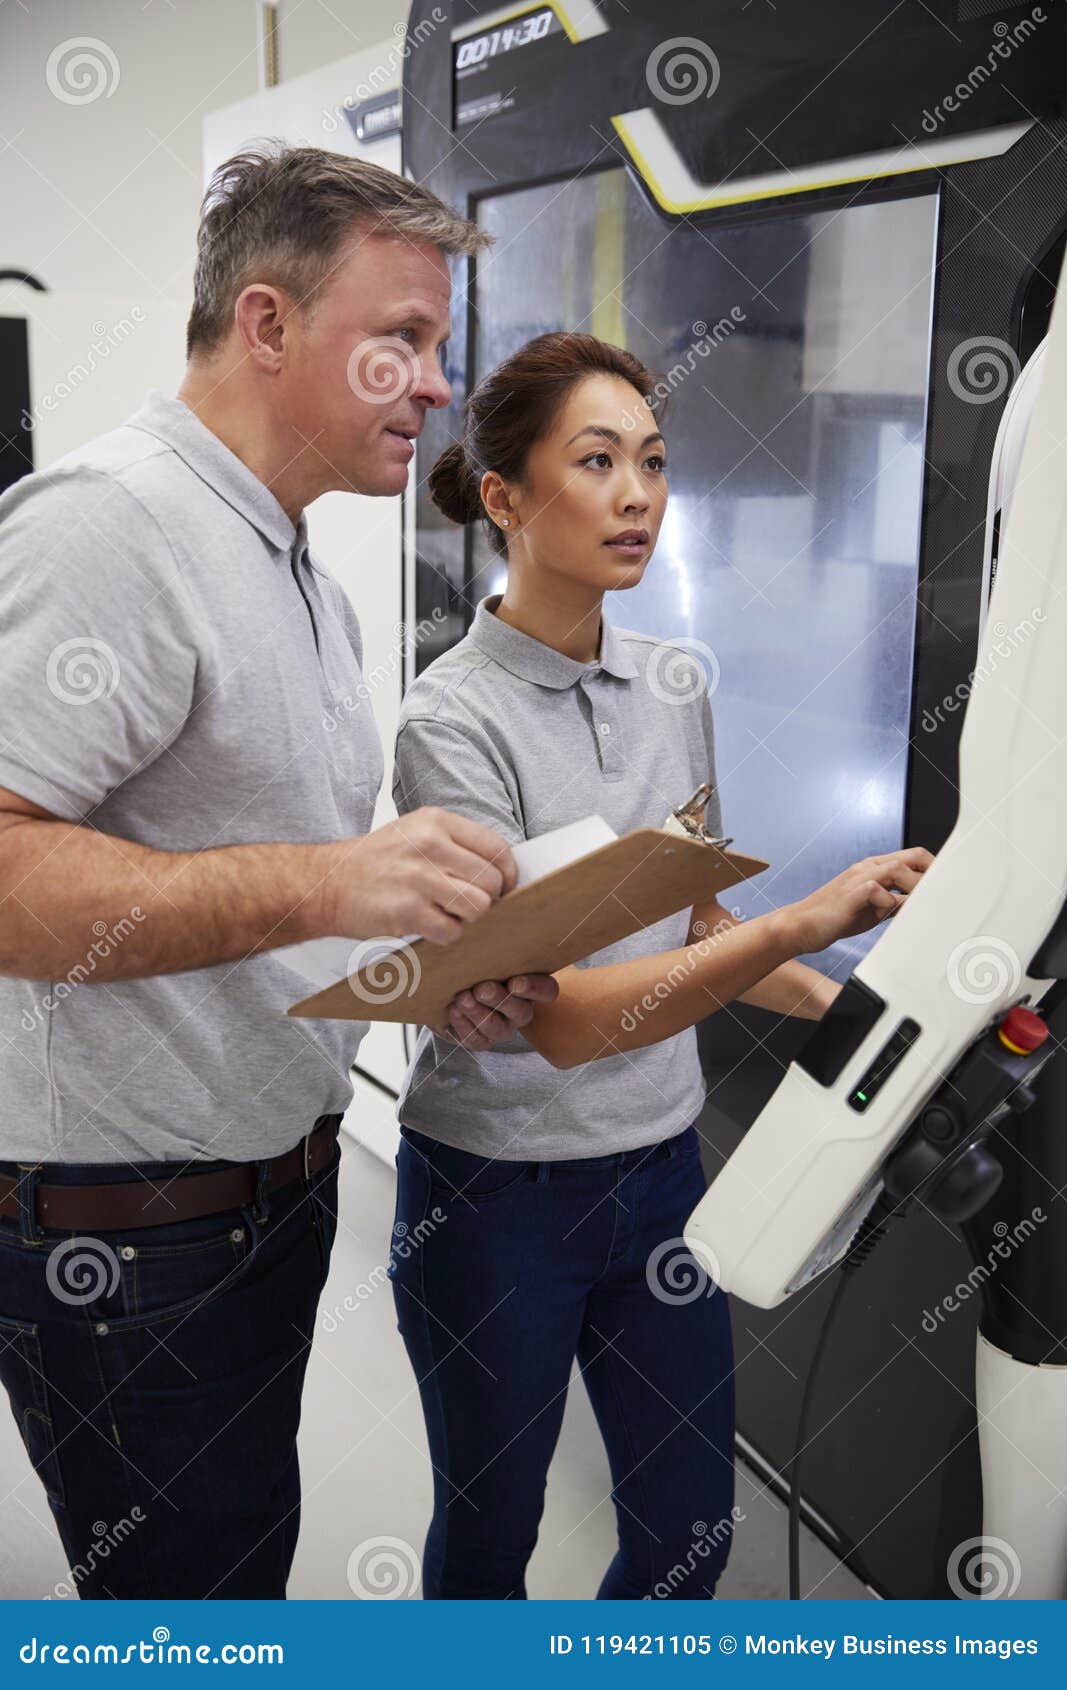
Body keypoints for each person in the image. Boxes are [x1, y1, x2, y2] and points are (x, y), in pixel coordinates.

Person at [0, 145, 554, 1598]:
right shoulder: (109, 528)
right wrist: (327, 886)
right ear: (264, 325)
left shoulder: (292, 560)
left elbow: (253, 883)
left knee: (241, 1569)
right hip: (132, 1245)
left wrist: (430, 977)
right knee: (196, 1606)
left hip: (261, 1199)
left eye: (440, 345)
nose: (439, 386)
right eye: (403, 342)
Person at [390, 331, 933, 1600]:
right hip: (496, 1198)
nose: (638, 494)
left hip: (658, 1178)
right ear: (506, 497)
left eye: (653, 461)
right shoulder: (451, 720)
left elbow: (689, 936)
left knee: (689, 1535)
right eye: (596, 461)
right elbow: (556, 1017)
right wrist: (794, 924)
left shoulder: (670, 683)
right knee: (488, 1545)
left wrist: (867, 1018)